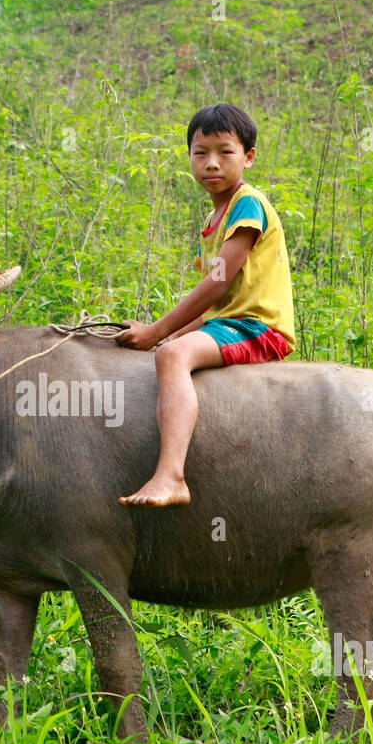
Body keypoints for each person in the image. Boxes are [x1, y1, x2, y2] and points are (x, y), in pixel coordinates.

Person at [116, 103, 297, 507]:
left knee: (172, 357)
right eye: (201, 154)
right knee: (167, 349)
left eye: (225, 152)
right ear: (189, 159)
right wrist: (156, 334)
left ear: (249, 157)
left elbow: (217, 285)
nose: (211, 164)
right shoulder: (215, 218)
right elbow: (212, 308)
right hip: (230, 322)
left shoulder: (247, 205)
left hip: (256, 327)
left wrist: (160, 333)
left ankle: (171, 475)